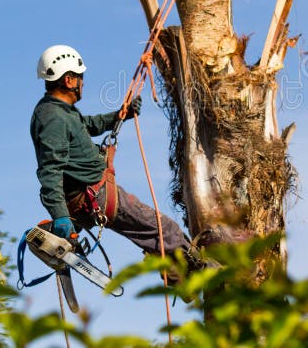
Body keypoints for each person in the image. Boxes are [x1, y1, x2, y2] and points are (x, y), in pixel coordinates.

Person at [30, 44, 200, 276]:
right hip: (95, 197)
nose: (82, 84)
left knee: (149, 234)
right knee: (164, 229)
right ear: (69, 80)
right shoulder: (53, 118)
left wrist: (120, 115)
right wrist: (60, 216)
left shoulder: (60, 112)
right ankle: (204, 270)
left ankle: (176, 272)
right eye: (80, 78)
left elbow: (88, 125)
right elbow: (50, 171)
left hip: (86, 198)